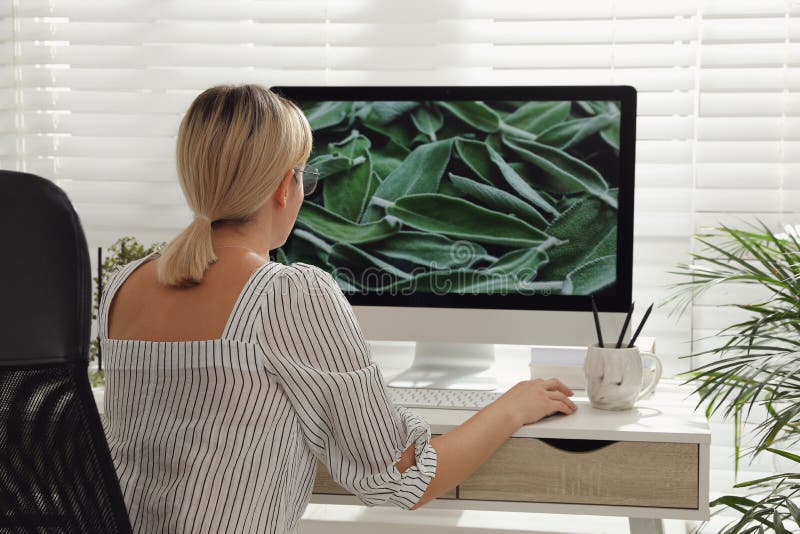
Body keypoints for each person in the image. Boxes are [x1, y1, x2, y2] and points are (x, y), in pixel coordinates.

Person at [98, 83, 578, 533]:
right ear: (286, 186)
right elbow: (400, 476)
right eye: (306, 176)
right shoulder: (288, 293)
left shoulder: (125, 284)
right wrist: (512, 407)